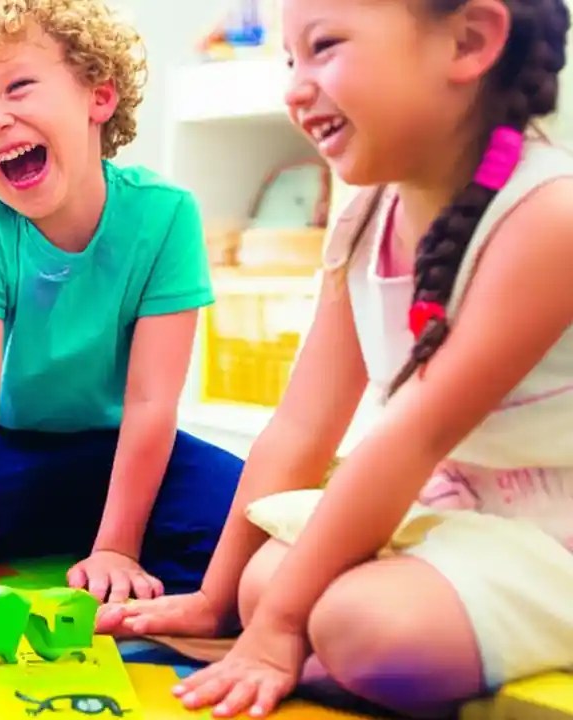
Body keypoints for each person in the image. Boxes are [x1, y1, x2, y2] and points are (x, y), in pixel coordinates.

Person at [98, 0, 573, 716]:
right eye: (290, 59)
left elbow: (417, 434)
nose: (293, 86)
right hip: (447, 507)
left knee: (359, 626)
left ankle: (336, 652)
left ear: (469, 41)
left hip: (550, 535)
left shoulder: (547, 216)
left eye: (325, 47)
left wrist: (278, 630)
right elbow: (300, 428)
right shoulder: (364, 215)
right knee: (262, 581)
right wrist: (219, 601)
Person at [0, 0, 242, 607]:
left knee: (240, 522)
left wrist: (119, 545)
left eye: (18, 86)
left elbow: (153, 403)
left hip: (121, 448)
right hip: (12, 448)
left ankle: (100, 538)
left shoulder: (167, 215)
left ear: (99, 97)